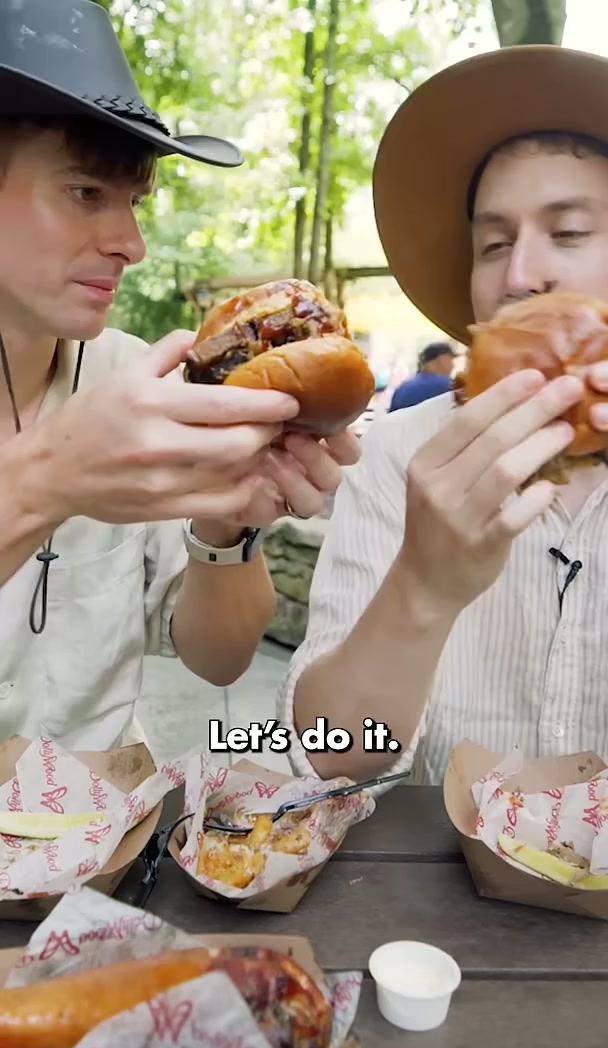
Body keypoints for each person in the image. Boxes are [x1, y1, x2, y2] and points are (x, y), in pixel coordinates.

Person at [0, 0, 359, 751]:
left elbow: (218, 659)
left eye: (134, 202)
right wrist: (46, 482)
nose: (131, 244)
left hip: (105, 815)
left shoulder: (134, 377)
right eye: (86, 193)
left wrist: (227, 520)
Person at [277, 44, 608, 785]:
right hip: (432, 862)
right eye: (493, 244)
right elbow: (325, 757)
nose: (520, 274)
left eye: (568, 233)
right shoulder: (399, 455)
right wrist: (423, 587)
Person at [388, 341, 456, 412]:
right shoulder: (447, 384)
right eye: (450, 360)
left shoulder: (402, 387)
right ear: (442, 360)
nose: (453, 365)